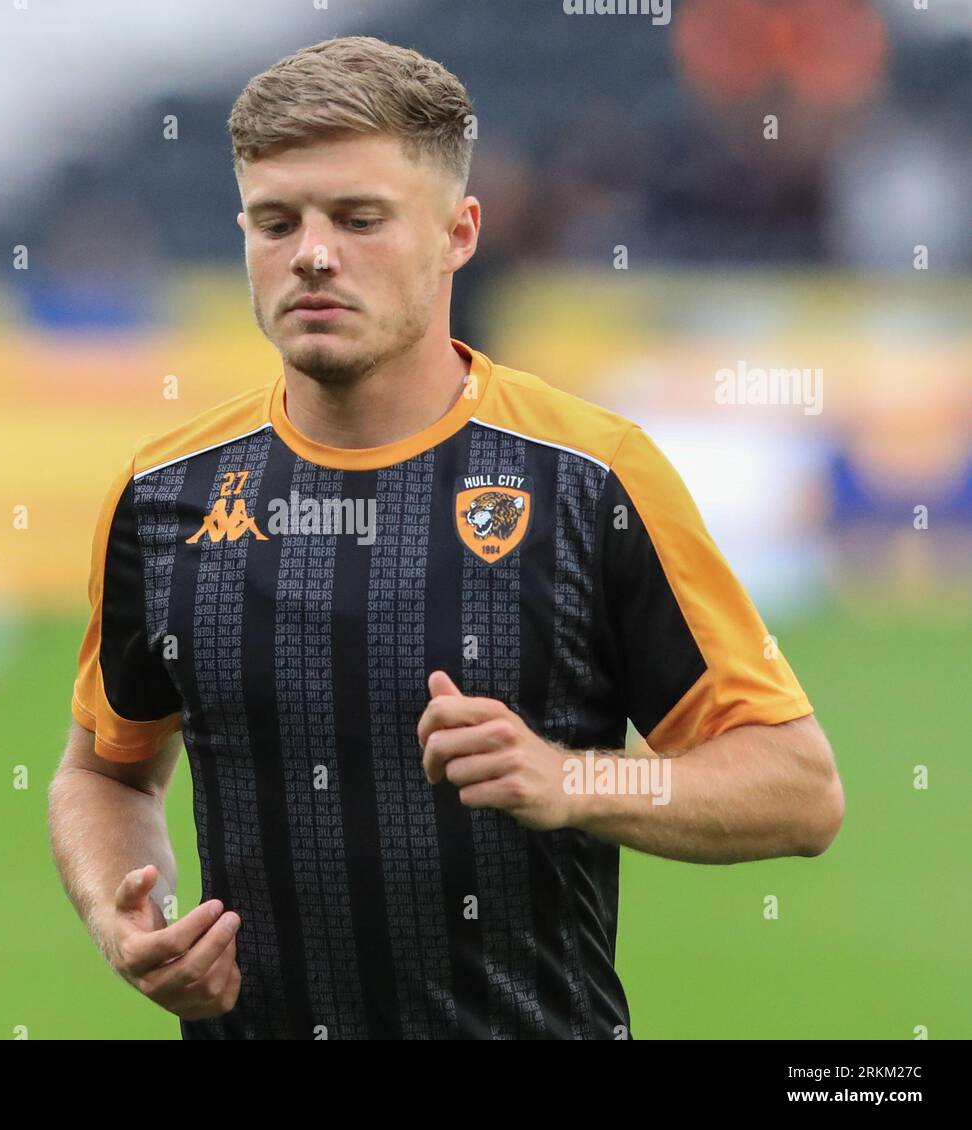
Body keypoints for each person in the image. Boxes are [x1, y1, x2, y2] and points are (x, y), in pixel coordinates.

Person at [48, 35, 844, 1040]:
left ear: (458, 234)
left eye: (360, 218)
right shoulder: (167, 494)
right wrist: (124, 917)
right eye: (277, 221)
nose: (313, 254)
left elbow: (798, 787)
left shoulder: (590, 476)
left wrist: (573, 778)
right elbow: (104, 772)